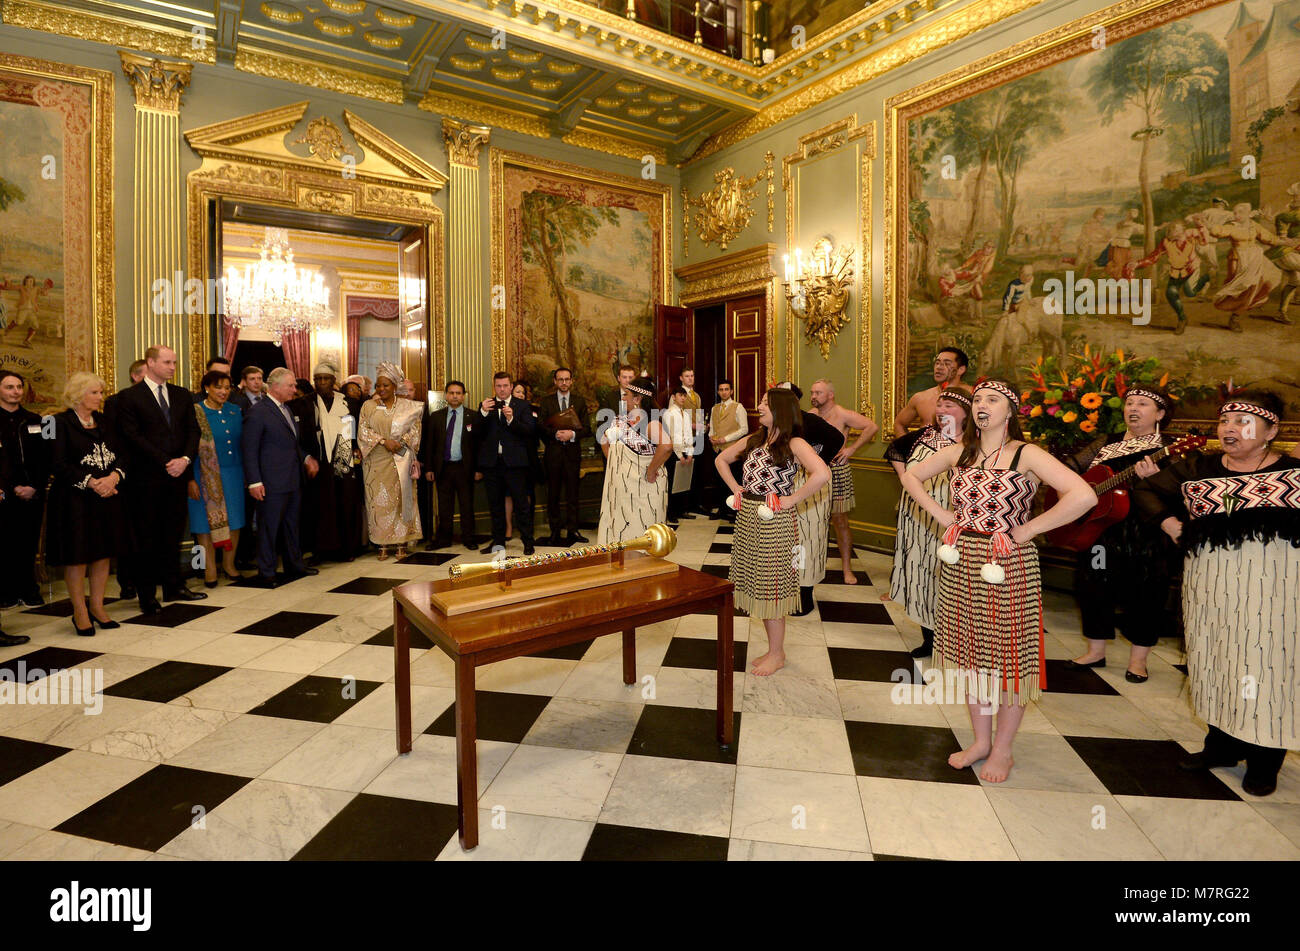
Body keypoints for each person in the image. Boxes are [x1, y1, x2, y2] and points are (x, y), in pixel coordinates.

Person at [900, 379, 1096, 782]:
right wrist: (942, 516)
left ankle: (1003, 749)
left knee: (1007, 658)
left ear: (1011, 410)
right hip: (960, 561)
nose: (981, 405)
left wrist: (1026, 531)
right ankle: (981, 741)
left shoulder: (1027, 454)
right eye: (977, 399)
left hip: (1008, 563)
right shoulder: (958, 452)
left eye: (992, 399)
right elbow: (910, 477)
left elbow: (1083, 495)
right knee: (971, 655)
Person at [1133, 392, 1299, 797]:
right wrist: (1171, 524)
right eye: (1226, 421)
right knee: (1215, 657)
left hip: (1274, 594)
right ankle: (1221, 746)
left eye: (1244, 422)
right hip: (1211, 586)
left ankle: (1264, 761)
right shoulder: (1198, 467)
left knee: (1267, 668)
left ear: (1271, 431)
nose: (1230, 429)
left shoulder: (1294, 474)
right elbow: (1146, 490)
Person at [1065, 386, 1179, 681]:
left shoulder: (1171, 446)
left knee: (1146, 592)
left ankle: (1138, 661)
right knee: (1093, 584)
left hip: (1147, 532)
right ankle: (1096, 651)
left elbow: (1184, 489)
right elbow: (1067, 470)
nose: (1134, 408)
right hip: (1102, 531)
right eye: (1130, 403)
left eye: (1143, 403)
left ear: (1160, 413)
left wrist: (1158, 478)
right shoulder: (1107, 442)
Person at [716, 387, 831, 676]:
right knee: (757, 583)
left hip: (775, 522)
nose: (759, 406)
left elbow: (822, 474)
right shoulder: (754, 439)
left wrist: (791, 499)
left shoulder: (795, 443)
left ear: (780, 409)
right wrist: (736, 489)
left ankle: (778, 653)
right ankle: (772, 649)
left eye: (766, 403)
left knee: (772, 587)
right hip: (749, 518)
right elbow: (720, 460)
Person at [115, 344, 205, 613]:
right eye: (167, 362)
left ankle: (173, 585)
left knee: (173, 534)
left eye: (174, 363)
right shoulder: (129, 397)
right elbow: (132, 437)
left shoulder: (181, 395)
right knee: (146, 538)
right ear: (151, 363)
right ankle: (147, 594)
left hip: (177, 476)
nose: (173, 368)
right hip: (145, 480)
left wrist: (185, 460)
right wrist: (167, 461)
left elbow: (193, 431)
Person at [886, 387, 970, 657]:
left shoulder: (974, 442)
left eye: (950, 406)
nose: (942, 410)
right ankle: (930, 638)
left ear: (967, 412)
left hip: (952, 517)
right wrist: (906, 479)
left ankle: (956, 638)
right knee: (922, 572)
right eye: (940, 405)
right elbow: (894, 450)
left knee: (950, 576)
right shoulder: (924, 435)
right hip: (918, 516)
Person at [45, 372, 131, 636]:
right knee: (78, 556)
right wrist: (93, 482)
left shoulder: (105, 421)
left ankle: (97, 606)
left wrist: (114, 477)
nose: (100, 397)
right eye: (95, 392)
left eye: (101, 392)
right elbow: (56, 463)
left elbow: (123, 454)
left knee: (102, 553)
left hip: (107, 498)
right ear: (78, 394)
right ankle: (79, 611)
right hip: (74, 500)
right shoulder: (58, 423)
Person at [242, 367, 320, 585]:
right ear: (275, 386)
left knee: (291, 526)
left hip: (292, 480)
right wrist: (254, 481)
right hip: (270, 482)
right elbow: (249, 449)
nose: (295, 390)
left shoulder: (286, 409)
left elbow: (290, 444)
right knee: (269, 528)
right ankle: (266, 572)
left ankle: (294, 566)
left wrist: (305, 459)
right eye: (291, 385)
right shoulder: (258, 412)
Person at [774, 382, 843, 617]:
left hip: (811, 484)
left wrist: (816, 461)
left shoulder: (809, 421)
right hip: (789, 486)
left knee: (808, 539)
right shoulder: (776, 425)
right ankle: (789, 589)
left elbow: (837, 438)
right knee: (791, 538)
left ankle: (805, 594)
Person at [809, 378, 879, 583]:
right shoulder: (811, 415)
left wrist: (852, 449)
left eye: (818, 393)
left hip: (837, 470)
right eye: (812, 393)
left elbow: (871, 427)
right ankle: (814, 565)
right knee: (814, 520)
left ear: (830, 395)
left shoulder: (842, 414)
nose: (814, 396)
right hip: (814, 471)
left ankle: (847, 568)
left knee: (840, 521)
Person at [297, 363, 365, 563]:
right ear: (314, 381)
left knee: (346, 503)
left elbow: (356, 430)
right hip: (319, 459)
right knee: (321, 506)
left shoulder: (349, 403)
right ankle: (322, 550)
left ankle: (347, 549)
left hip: (344, 456)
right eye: (319, 379)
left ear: (334, 381)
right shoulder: (306, 403)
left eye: (326, 378)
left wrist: (356, 449)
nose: (323, 382)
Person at [596, 372, 673, 545]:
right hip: (620, 487)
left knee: (641, 525)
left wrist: (651, 471)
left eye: (627, 395)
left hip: (643, 488)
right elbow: (604, 440)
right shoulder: (620, 419)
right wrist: (615, 465)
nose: (623, 399)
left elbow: (667, 446)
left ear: (638, 399)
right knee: (619, 525)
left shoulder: (650, 421)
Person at [187, 370, 245, 587]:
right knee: (203, 524)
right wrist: (189, 479)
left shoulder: (235, 411)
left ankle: (229, 565)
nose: (223, 392)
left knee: (235, 521)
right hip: (202, 474)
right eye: (218, 387)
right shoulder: (195, 412)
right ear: (207, 388)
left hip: (233, 473)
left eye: (227, 387)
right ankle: (209, 567)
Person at [359, 363, 423, 560]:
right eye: (378, 385)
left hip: (400, 458)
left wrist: (400, 442)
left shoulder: (407, 406)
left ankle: (401, 542)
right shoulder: (368, 406)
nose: (381, 389)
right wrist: (383, 441)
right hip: (376, 461)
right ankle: (382, 544)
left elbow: (415, 429)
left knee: (401, 500)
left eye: (386, 385)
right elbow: (363, 431)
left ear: (395, 386)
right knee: (379, 502)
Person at [1209, 201, 1300, 332]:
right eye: (1235, 212)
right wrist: (1211, 227)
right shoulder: (1232, 226)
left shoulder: (1253, 226)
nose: (1237, 215)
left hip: (1256, 259)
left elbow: (1270, 238)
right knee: (1243, 288)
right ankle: (1236, 315)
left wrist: (1286, 241)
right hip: (1239, 260)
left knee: (1265, 282)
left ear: (1248, 214)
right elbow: (1218, 232)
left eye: (1240, 212)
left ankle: (1237, 315)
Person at [0, 370, 50, 608]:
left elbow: (48, 458)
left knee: (28, 542)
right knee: (4, 543)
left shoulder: (37, 420)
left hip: (32, 493)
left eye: (18, 387)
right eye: (9, 387)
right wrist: (11, 487)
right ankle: (6, 592)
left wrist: (34, 487)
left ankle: (28, 588)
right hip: (3, 494)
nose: (15, 391)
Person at [477, 372, 537, 554]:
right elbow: (476, 433)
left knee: (521, 505)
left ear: (511, 387)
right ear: (494, 387)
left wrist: (512, 420)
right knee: (495, 505)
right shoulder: (486, 405)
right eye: (498, 386)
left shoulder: (523, 405)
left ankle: (528, 542)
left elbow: (529, 430)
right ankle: (498, 542)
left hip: (515, 463)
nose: (502, 390)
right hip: (492, 463)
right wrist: (482, 413)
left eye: (505, 386)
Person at [103, 358, 146, 599]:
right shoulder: (116, 401)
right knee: (129, 533)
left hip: (155, 475)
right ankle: (127, 581)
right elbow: (115, 440)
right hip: (127, 477)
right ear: (135, 377)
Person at [421, 380, 480, 550]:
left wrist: (478, 469)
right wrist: (429, 468)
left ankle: (469, 538)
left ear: (463, 396)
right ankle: (443, 539)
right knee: (444, 506)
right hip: (443, 468)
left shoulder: (473, 416)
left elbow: (478, 446)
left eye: (458, 393)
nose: (455, 396)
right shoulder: (436, 416)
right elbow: (430, 444)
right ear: (446, 395)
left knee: (466, 505)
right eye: (452, 393)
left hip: (465, 468)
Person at [1124, 222, 1210, 335]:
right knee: (1171, 293)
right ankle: (1182, 319)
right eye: (1170, 230)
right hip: (1176, 272)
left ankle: (1205, 279)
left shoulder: (1190, 235)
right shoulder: (1166, 242)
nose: (1171, 232)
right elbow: (1153, 257)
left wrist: (1202, 227)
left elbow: (1204, 241)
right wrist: (1137, 263)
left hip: (1192, 269)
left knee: (1190, 292)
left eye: (1175, 229)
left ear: (1182, 230)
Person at [538, 366, 590, 546]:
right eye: (560, 379)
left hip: (572, 455)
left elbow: (587, 428)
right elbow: (541, 426)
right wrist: (555, 434)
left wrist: (572, 435)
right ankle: (554, 531)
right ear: (555, 381)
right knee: (553, 495)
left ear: (572, 381)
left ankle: (573, 530)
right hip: (553, 454)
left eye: (567, 379)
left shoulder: (580, 401)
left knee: (573, 494)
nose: (564, 383)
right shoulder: (546, 402)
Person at [892, 348, 969, 436]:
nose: (939, 367)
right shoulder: (920, 398)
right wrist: (909, 448)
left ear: (961, 370)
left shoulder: (973, 396)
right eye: (937, 363)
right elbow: (899, 424)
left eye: (947, 364)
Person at [661, 387, 695, 522]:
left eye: (684, 396)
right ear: (674, 397)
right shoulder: (669, 413)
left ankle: (682, 510)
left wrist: (690, 452)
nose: (682, 398)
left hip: (686, 450)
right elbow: (672, 435)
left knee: (684, 481)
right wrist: (680, 454)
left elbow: (688, 434)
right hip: (674, 452)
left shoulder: (685, 414)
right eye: (680, 395)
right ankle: (671, 512)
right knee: (672, 483)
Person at [679, 368, 708, 514]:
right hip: (685, 436)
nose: (690, 378)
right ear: (681, 378)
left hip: (698, 435)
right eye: (687, 376)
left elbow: (698, 414)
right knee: (685, 469)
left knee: (698, 469)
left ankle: (697, 503)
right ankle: (684, 505)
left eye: (692, 375)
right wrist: (693, 425)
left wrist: (703, 425)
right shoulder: (678, 395)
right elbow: (677, 416)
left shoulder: (696, 395)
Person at [1272, 183, 1300, 324]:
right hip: (1289, 252)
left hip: (1294, 252)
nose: (1295, 198)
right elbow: (1280, 218)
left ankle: (1281, 313)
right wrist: (1283, 237)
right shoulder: (1297, 213)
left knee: (1295, 281)